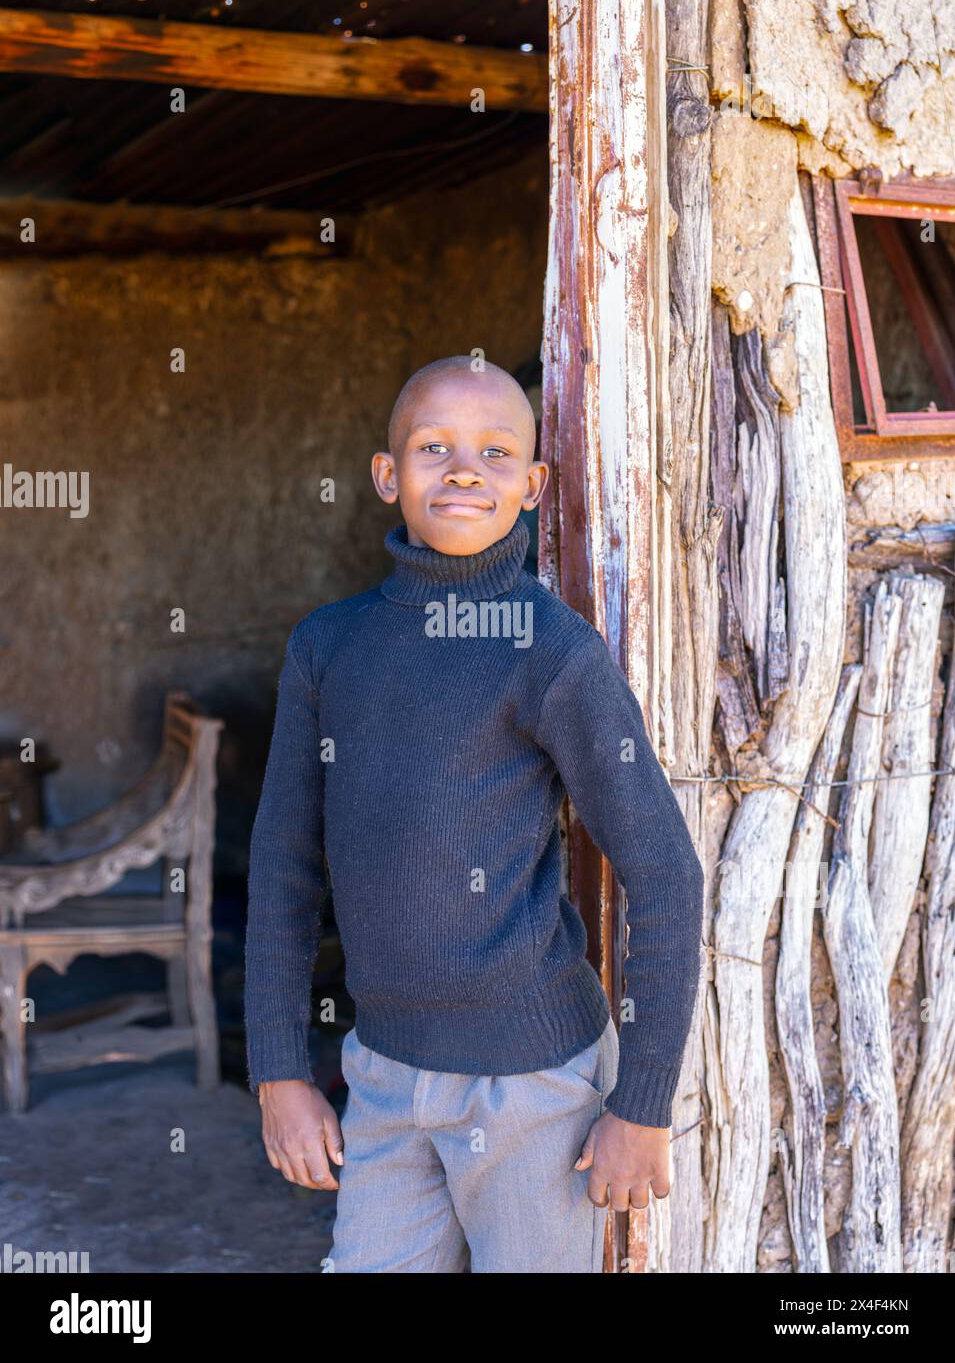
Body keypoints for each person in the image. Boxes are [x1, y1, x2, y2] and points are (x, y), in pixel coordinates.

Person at [244, 355, 705, 1273]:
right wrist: (278, 1072)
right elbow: (281, 868)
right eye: (433, 448)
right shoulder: (328, 648)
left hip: (533, 1088)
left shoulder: (553, 653)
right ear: (387, 475)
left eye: (496, 453)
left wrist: (641, 1103)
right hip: (381, 1076)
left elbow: (665, 875)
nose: (464, 471)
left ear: (533, 487)